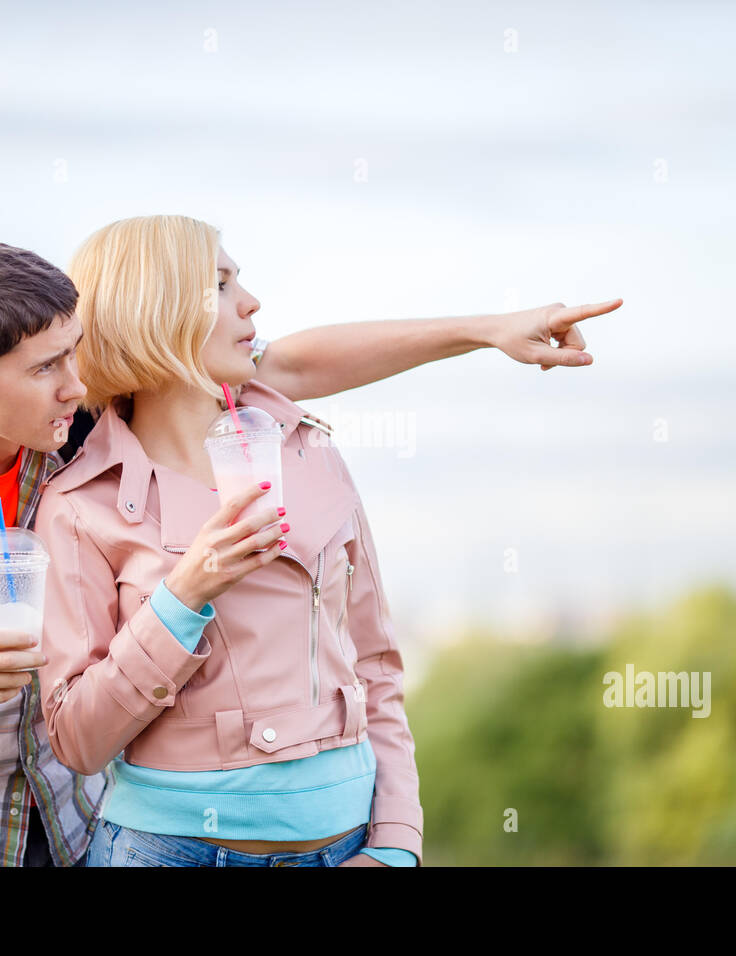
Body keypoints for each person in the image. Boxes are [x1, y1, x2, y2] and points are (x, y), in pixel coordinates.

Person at [0, 236, 619, 867]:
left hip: (75, 839)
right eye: (49, 368)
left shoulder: (70, 425)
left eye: (77, 355)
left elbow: (296, 364)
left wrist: (485, 330)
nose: (80, 387)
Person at [36, 215, 615, 867]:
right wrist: (183, 594)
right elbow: (78, 740)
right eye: (221, 284)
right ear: (157, 311)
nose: (251, 302)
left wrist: (397, 842)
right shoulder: (80, 505)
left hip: (347, 849)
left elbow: (377, 666)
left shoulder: (309, 454)